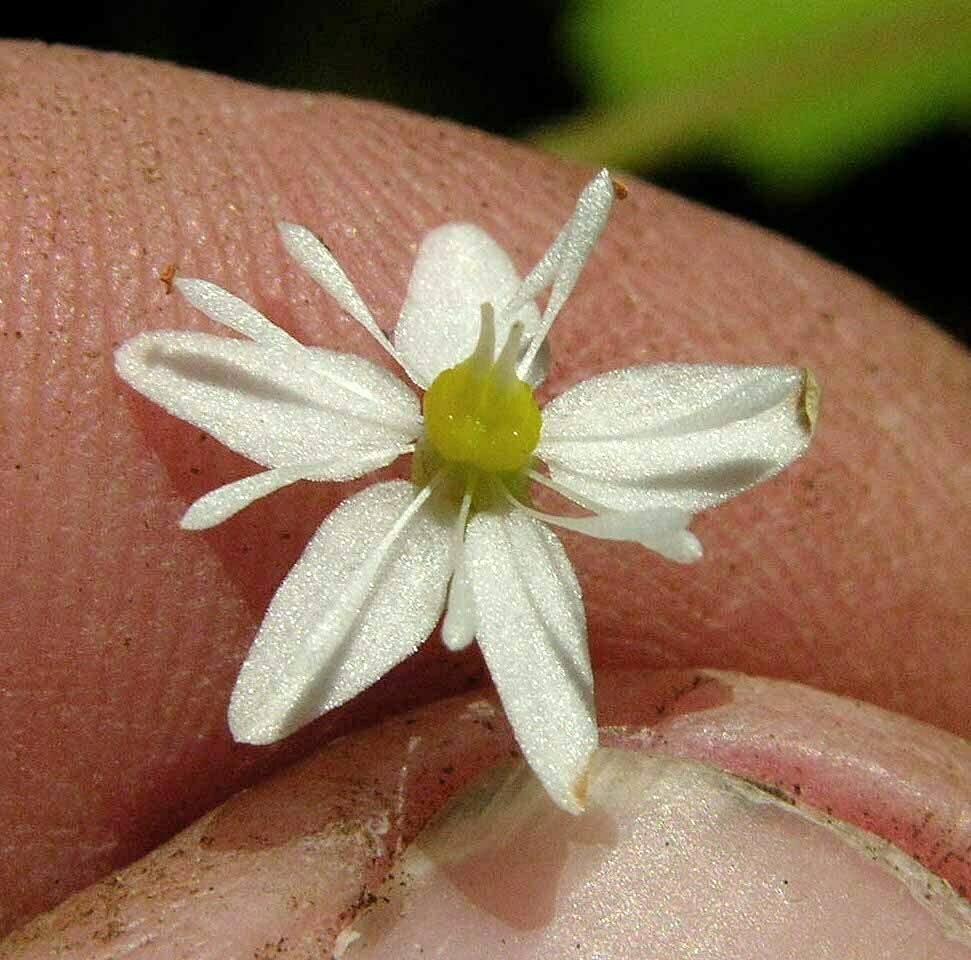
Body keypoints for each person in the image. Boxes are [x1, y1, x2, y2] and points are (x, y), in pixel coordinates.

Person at [1, 41, 968, 957]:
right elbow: (175, 370)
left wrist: (569, 755)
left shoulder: (525, 460)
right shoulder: (413, 450)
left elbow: (760, 423)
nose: (481, 379)